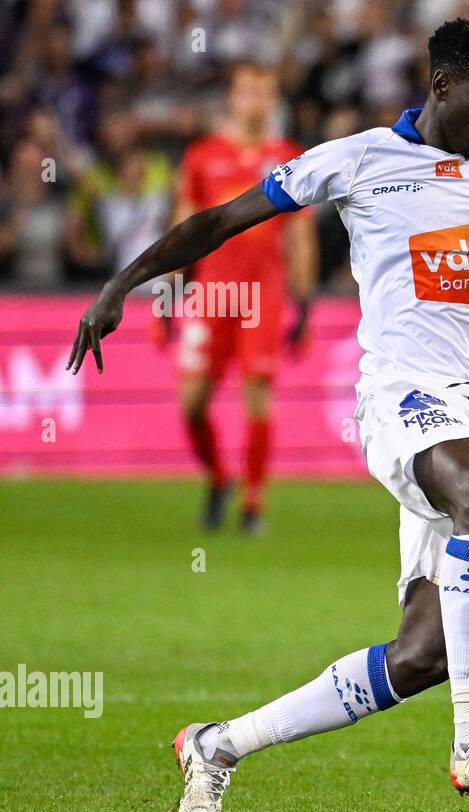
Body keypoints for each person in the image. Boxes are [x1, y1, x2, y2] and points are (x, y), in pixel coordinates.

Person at [66, 18, 469, 812]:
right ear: (442, 85)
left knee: (424, 656)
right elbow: (222, 220)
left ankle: (217, 745)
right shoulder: (357, 158)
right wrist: (119, 286)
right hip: (403, 399)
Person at [162, 62, 317, 534]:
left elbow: (300, 238)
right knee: (191, 404)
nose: (256, 101)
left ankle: (252, 504)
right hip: (213, 296)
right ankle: (217, 477)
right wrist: (165, 294)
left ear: (274, 100)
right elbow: (183, 230)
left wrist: (304, 306)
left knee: (258, 396)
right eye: (247, 91)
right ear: (232, 98)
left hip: (264, 296)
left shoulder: (289, 159)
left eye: (265, 92)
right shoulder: (202, 157)